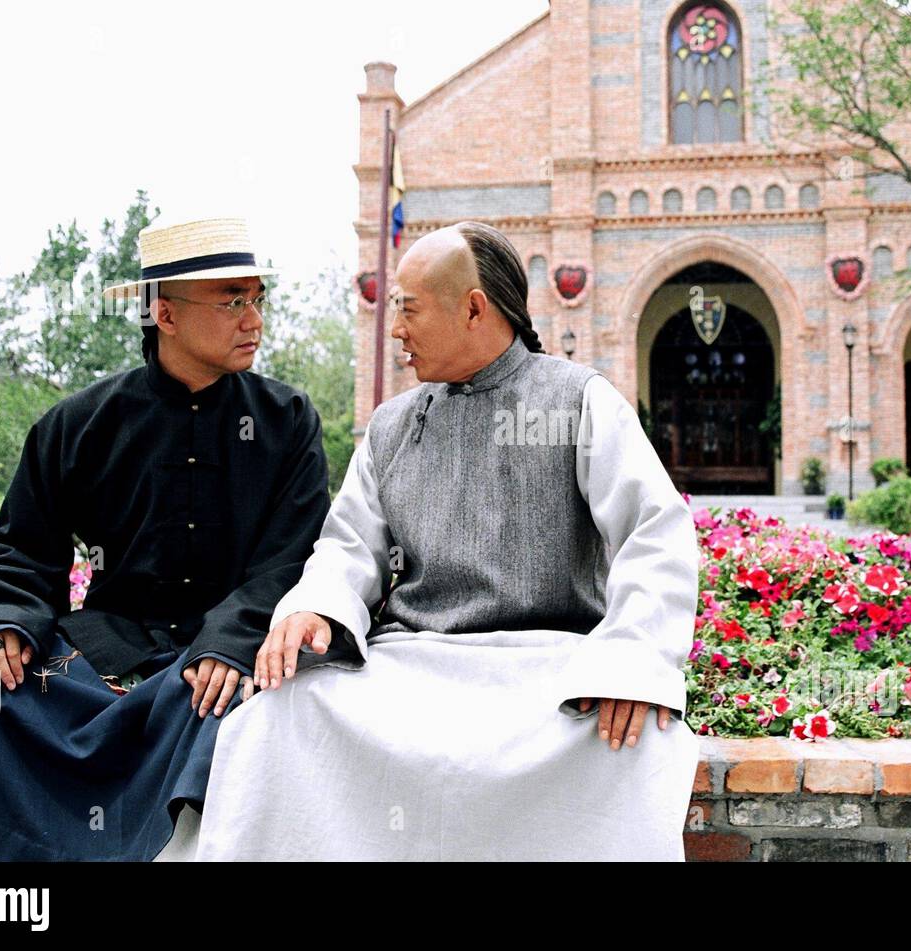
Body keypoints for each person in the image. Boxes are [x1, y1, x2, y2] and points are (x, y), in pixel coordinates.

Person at [196, 221, 701, 861]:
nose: (396, 331)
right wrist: (315, 607)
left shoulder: (578, 400)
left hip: (547, 670)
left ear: (472, 308)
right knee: (272, 717)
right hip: (413, 666)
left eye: (408, 310)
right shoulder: (391, 426)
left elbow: (653, 532)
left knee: (633, 746)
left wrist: (633, 660)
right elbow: (347, 548)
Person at [0, 218, 330, 861]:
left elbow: (292, 559)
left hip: (220, 649)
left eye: (257, 298)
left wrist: (234, 639)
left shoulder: (285, 422)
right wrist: (2, 618)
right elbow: (20, 550)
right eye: (232, 300)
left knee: (223, 709)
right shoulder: (80, 424)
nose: (253, 319)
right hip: (108, 641)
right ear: (165, 313)